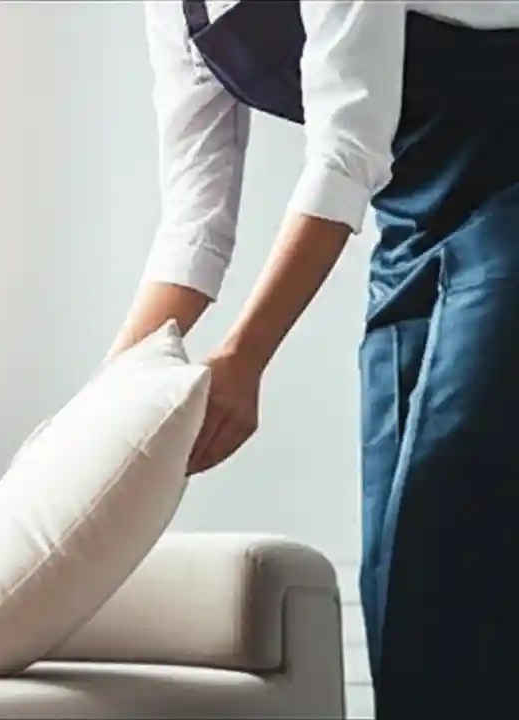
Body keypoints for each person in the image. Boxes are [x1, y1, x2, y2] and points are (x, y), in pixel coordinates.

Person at [108, 1, 519, 716]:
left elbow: (346, 151)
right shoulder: (174, 13)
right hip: (411, 234)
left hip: (509, 202)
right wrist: (111, 395)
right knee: (394, 562)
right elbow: (195, 227)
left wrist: (245, 356)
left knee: (445, 522)